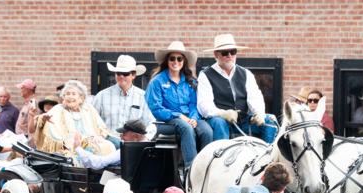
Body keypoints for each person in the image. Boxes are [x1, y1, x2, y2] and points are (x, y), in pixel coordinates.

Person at [197, 34, 277, 144]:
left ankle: (267, 157)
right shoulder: (205, 75)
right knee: (219, 122)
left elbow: (255, 98)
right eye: (225, 52)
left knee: (270, 120)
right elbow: (204, 106)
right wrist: (223, 113)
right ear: (216, 54)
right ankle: (221, 158)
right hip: (220, 122)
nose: (229, 55)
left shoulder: (246, 73)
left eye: (233, 51)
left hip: (243, 122)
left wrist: (259, 114)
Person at [146, 41, 213, 169]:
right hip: (166, 122)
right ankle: (191, 169)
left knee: (207, 131)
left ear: (184, 61)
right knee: (186, 128)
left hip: (189, 118)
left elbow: (194, 103)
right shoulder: (157, 81)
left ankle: (205, 168)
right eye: (172, 58)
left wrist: (193, 118)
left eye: (179, 58)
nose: (176, 62)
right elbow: (156, 109)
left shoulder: (191, 81)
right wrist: (179, 116)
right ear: (167, 61)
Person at [34, 80, 114, 159]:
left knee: (109, 146)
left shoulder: (89, 109)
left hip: (91, 141)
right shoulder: (58, 109)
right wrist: (43, 119)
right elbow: (41, 120)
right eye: (67, 94)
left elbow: (101, 127)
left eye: (73, 94)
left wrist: (99, 136)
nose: (70, 96)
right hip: (68, 146)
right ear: (63, 98)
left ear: (81, 98)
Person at [93, 55, 154, 141]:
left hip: (134, 146)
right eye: (118, 73)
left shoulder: (143, 97)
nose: (121, 76)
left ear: (133, 75)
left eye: (125, 73)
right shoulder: (101, 96)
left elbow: (151, 123)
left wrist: (144, 140)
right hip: (108, 145)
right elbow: (91, 121)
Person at [74, 119, 147, 170]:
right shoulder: (151, 147)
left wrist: (78, 149)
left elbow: (98, 163)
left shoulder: (128, 150)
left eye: (124, 134)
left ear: (136, 136)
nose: (121, 136)